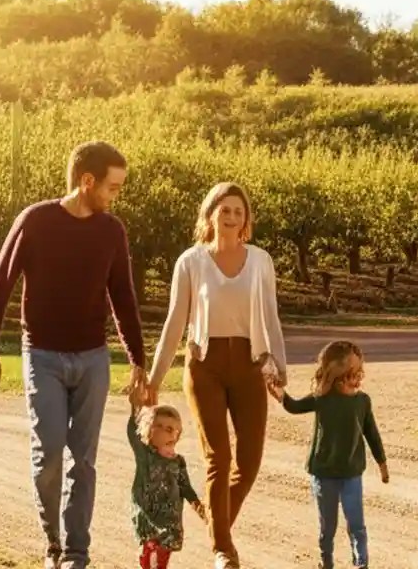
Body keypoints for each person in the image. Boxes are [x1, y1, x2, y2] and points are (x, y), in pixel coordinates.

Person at [0, 140, 149, 569]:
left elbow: (123, 297)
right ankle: (52, 538)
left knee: (84, 460)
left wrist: (137, 358)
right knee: (50, 451)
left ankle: (76, 552)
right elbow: (2, 282)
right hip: (44, 354)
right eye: (112, 187)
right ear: (86, 181)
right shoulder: (36, 221)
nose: (116, 196)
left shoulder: (112, 230)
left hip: (93, 357)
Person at [146, 181, 288, 569]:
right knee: (218, 458)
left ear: (246, 220)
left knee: (250, 460)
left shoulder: (261, 260)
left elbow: (271, 318)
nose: (231, 217)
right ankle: (223, 548)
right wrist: (155, 380)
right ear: (210, 214)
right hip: (204, 365)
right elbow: (175, 322)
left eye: (238, 211)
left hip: (249, 364)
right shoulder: (191, 262)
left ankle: (214, 520)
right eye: (224, 210)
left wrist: (280, 369)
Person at [268, 340, 388, 569]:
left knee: (357, 525)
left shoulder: (362, 401)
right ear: (338, 375)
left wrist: (382, 463)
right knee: (328, 527)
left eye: (361, 373)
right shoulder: (321, 399)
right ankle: (327, 562)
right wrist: (280, 394)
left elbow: (372, 433)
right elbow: (294, 406)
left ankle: (361, 564)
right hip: (324, 474)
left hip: (352, 473)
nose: (359, 379)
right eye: (354, 374)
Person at [126, 400, 207, 569]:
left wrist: (197, 505)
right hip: (149, 515)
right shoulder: (146, 456)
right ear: (149, 430)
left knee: (165, 551)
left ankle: (152, 561)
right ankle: (147, 557)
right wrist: (136, 407)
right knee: (151, 548)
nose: (167, 432)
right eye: (160, 426)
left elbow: (185, 487)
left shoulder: (178, 462)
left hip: (170, 517)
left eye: (171, 429)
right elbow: (133, 434)